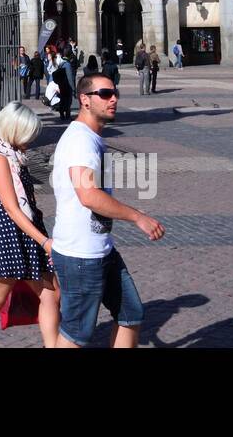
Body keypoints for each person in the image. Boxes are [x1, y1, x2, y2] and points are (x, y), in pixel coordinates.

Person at [50, 73, 165, 348]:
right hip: (81, 255)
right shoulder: (81, 141)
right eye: (104, 94)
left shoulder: (90, 137)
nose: (113, 99)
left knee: (130, 313)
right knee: (76, 334)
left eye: (114, 93)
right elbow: (88, 195)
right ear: (84, 100)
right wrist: (138, 216)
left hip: (101, 248)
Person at [0, 102, 60, 348]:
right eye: (28, 134)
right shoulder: (0, 159)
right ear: (14, 131)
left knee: (51, 296)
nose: (31, 140)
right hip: (6, 237)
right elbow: (11, 208)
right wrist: (44, 241)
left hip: (27, 234)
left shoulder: (16, 158)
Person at [51, 48, 75, 122]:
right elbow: (70, 77)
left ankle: (62, 114)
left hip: (62, 85)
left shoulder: (61, 63)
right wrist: (73, 88)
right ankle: (67, 115)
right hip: (67, 86)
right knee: (68, 100)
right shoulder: (67, 64)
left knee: (63, 100)